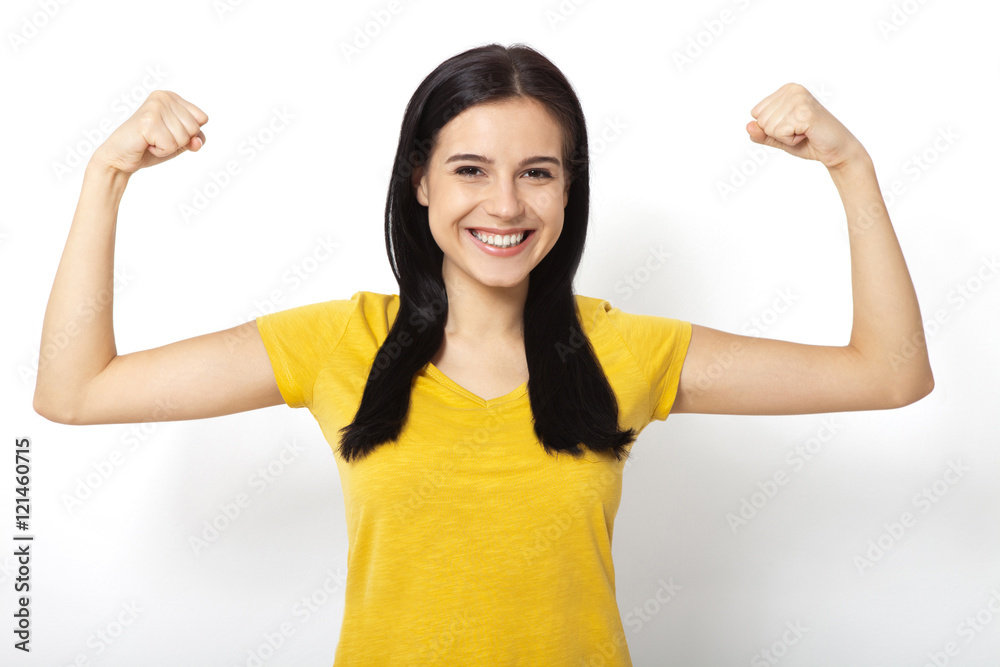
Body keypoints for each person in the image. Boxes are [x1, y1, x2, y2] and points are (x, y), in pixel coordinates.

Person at [34, 43, 933, 665]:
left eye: (537, 171)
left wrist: (849, 165)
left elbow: (889, 372)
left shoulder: (625, 349)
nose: (505, 204)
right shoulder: (335, 342)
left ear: (568, 191)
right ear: (419, 180)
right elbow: (77, 391)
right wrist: (105, 175)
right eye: (470, 168)